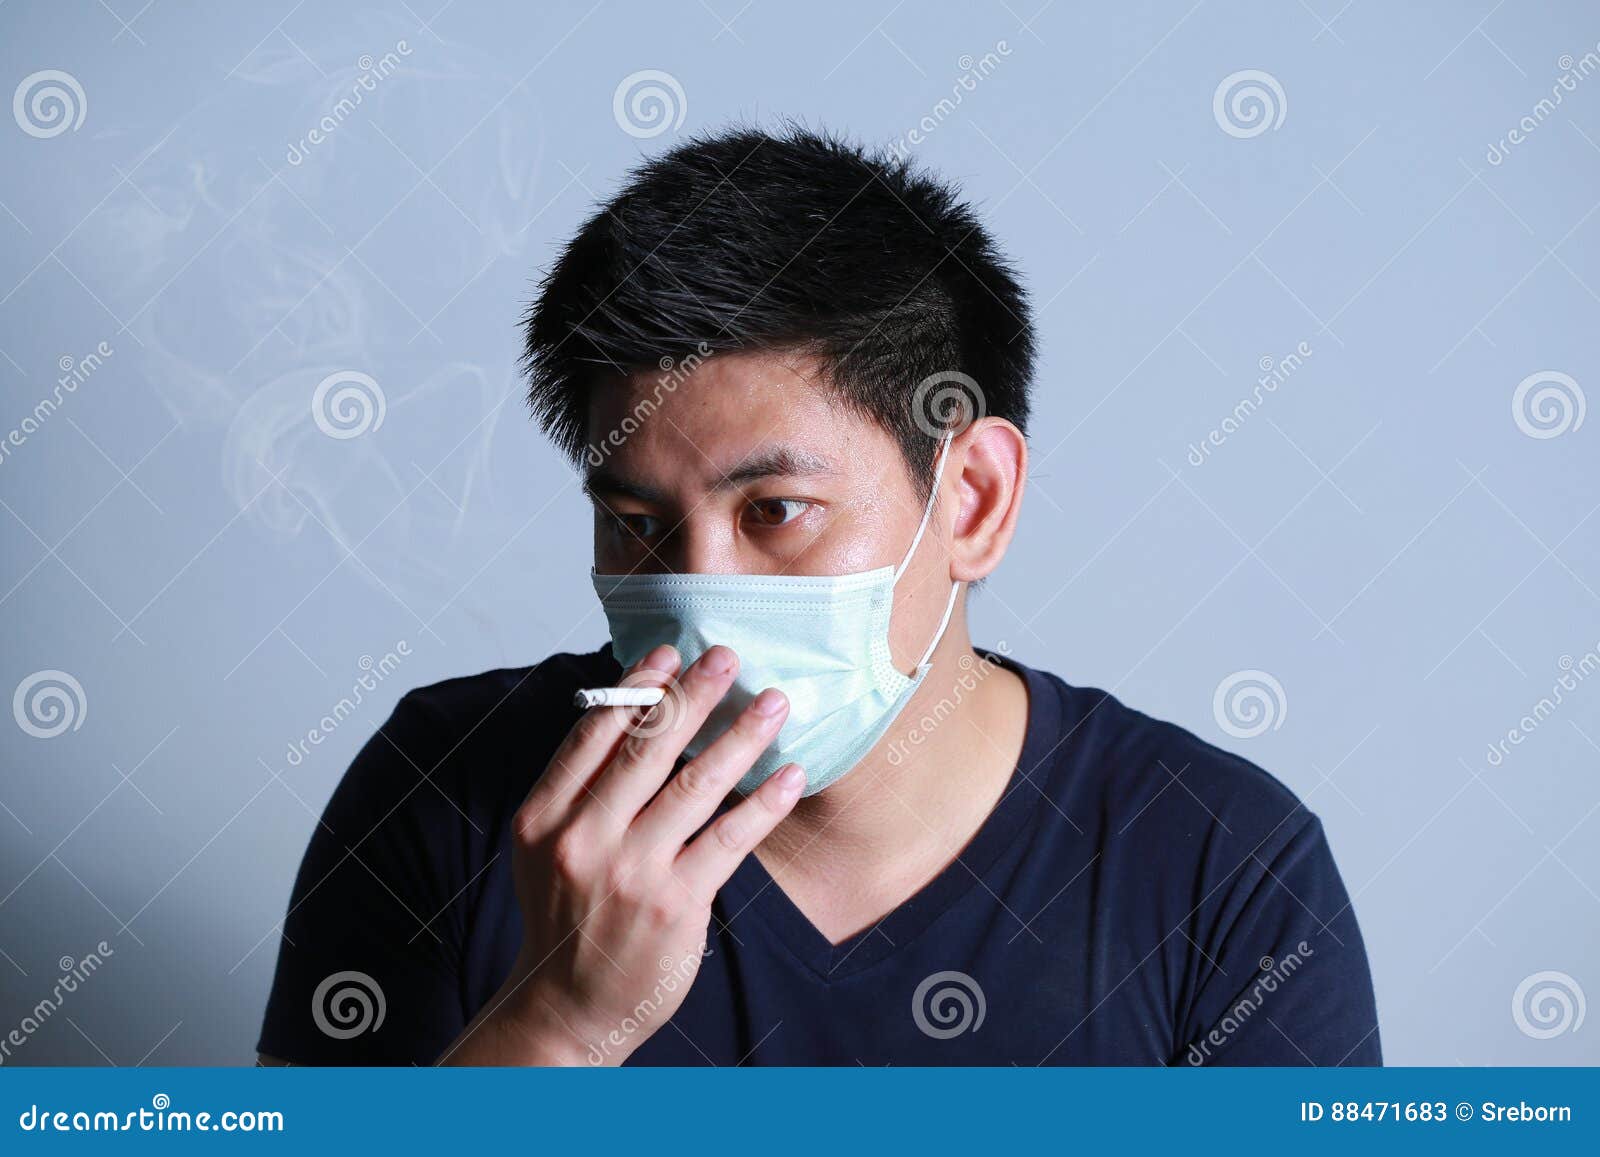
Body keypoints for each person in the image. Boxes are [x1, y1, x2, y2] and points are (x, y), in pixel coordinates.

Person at [257, 126, 1380, 1066]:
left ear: (973, 499)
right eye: (639, 526)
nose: (699, 604)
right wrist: (557, 1022)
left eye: (775, 510)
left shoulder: (1216, 864)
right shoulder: (448, 788)